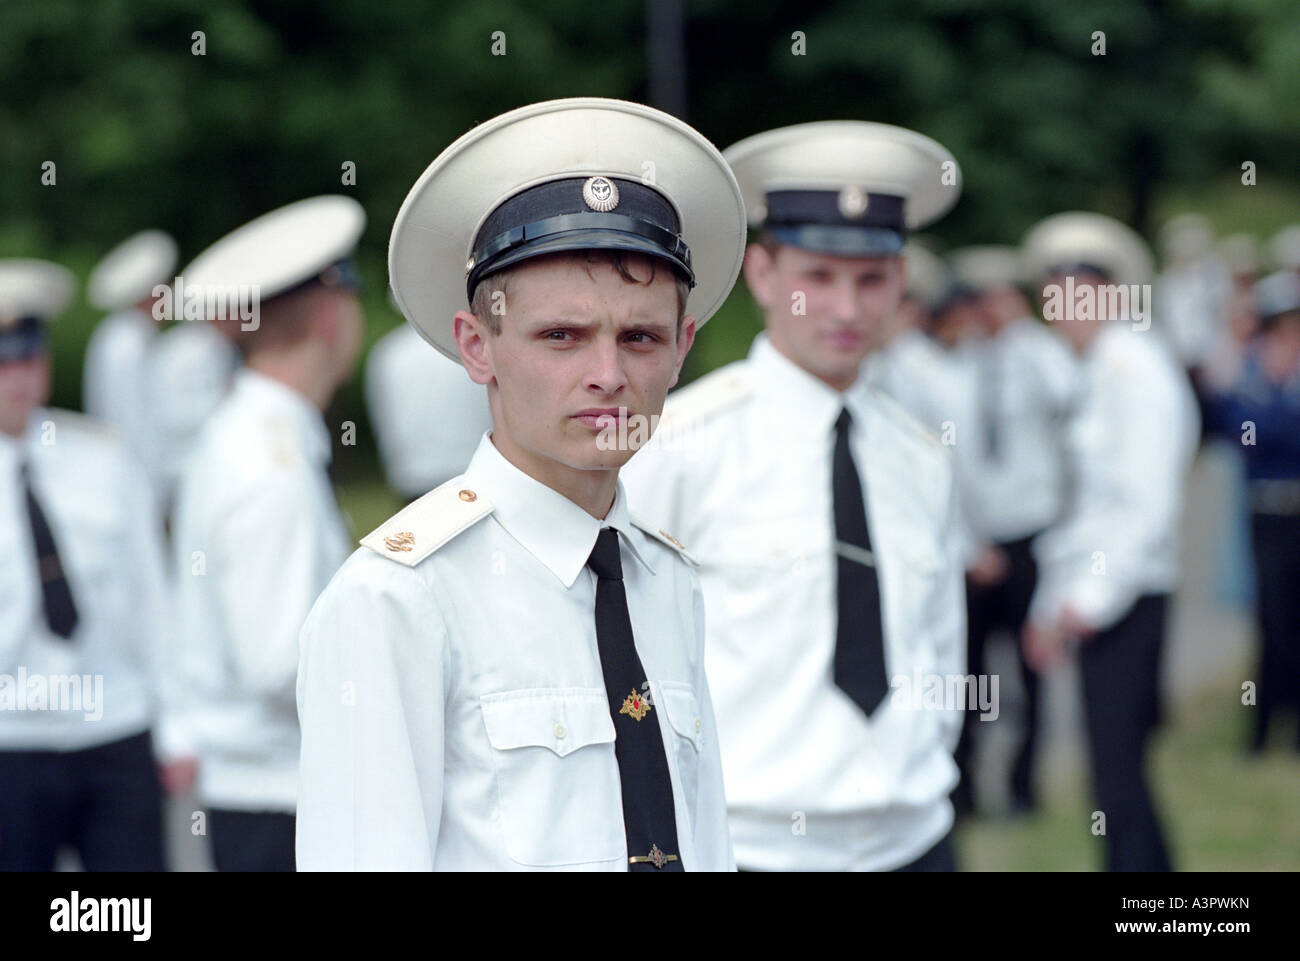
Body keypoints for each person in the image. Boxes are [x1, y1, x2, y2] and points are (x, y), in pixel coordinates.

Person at [295, 98, 744, 871]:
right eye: (561, 336)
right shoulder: (399, 600)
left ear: (681, 350)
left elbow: (705, 842)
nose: (609, 377)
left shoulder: (666, 577)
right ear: (478, 346)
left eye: (640, 336)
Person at [622, 120, 967, 872]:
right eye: (818, 276)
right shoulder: (680, 442)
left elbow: (941, 639)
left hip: (916, 837)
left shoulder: (921, 453)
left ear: (901, 280)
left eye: (871, 279)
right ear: (763, 274)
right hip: (755, 843)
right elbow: (628, 655)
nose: (846, 308)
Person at [168, 196, 366, 871]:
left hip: (266, 791)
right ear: (330, 313)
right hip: (278, 799)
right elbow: (278, 661)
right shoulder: (268, 464)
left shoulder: (255, 437)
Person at [1020, 212, 1199, 872]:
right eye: (1055, 297)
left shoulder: (1134, 369)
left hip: (1128, 596)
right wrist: (1053, 604)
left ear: (1111, 296)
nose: (1063, 312)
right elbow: (1078, 508)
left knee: (1118, 771)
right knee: (1111, 771)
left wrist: (1087, 602)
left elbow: (1146, 504)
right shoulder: (1096, 370)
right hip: (1103, 595)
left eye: (1079, 295)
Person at [0, 259, 182, 870]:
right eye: (1, 361)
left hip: (114, 725)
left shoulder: (100, 458)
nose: (16, 377)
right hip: (10, 740)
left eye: (27, 355)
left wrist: (175, 721)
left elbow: (152, 596)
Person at [944, 245, 1079, 817]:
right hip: (978, 537)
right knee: (967, 670)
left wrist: (1024, 332)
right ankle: (966, 787)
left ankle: (1026, 786)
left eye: (1002, 297)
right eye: (982, 299)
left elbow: (1069, 392)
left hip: (1030, 530)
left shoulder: (1041, 354)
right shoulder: (959, 363)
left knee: (1031, 667)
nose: (991, 310)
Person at [1200, 271, 1300, 752]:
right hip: (1267, 510)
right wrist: (1281, 401)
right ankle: (1261, 729)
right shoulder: (1253, 377)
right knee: (1271, 619)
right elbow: (1246, 436)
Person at [82, 229, 178, 510]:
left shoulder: (116, 333)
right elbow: (135, 424)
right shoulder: (132, 343)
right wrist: (156, 492)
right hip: (136, 483)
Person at [364, 319, 491, 499]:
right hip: (469, 471)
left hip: (412, 477)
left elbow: (382, 417)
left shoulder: (387, 351)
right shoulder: (471, 348)